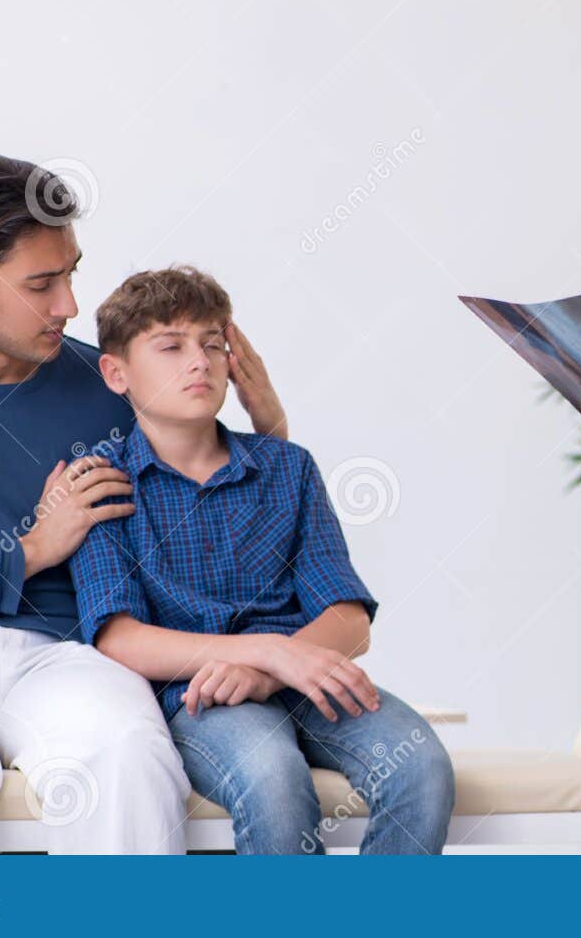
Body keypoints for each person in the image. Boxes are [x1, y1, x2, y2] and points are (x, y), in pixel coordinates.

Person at [0, 154, 288, 853]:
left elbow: (222, 525)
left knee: (128, 754)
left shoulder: (105, 386)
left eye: (70, 274)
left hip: (65, 652)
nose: (69, 304)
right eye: (43, 284)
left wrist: (271, 428)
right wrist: (32, 549)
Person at [70, 265, 455, 854]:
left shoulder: (287, 467)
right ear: (116, 373)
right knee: (273, 780)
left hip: (308, 679)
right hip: (200, 699)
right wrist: (258, 654)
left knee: (421, 768)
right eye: (170, 347)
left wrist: (271, 667)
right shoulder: (103, 481)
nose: (198, 361)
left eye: (212, 345)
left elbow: (349, 622)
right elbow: (120, 638)